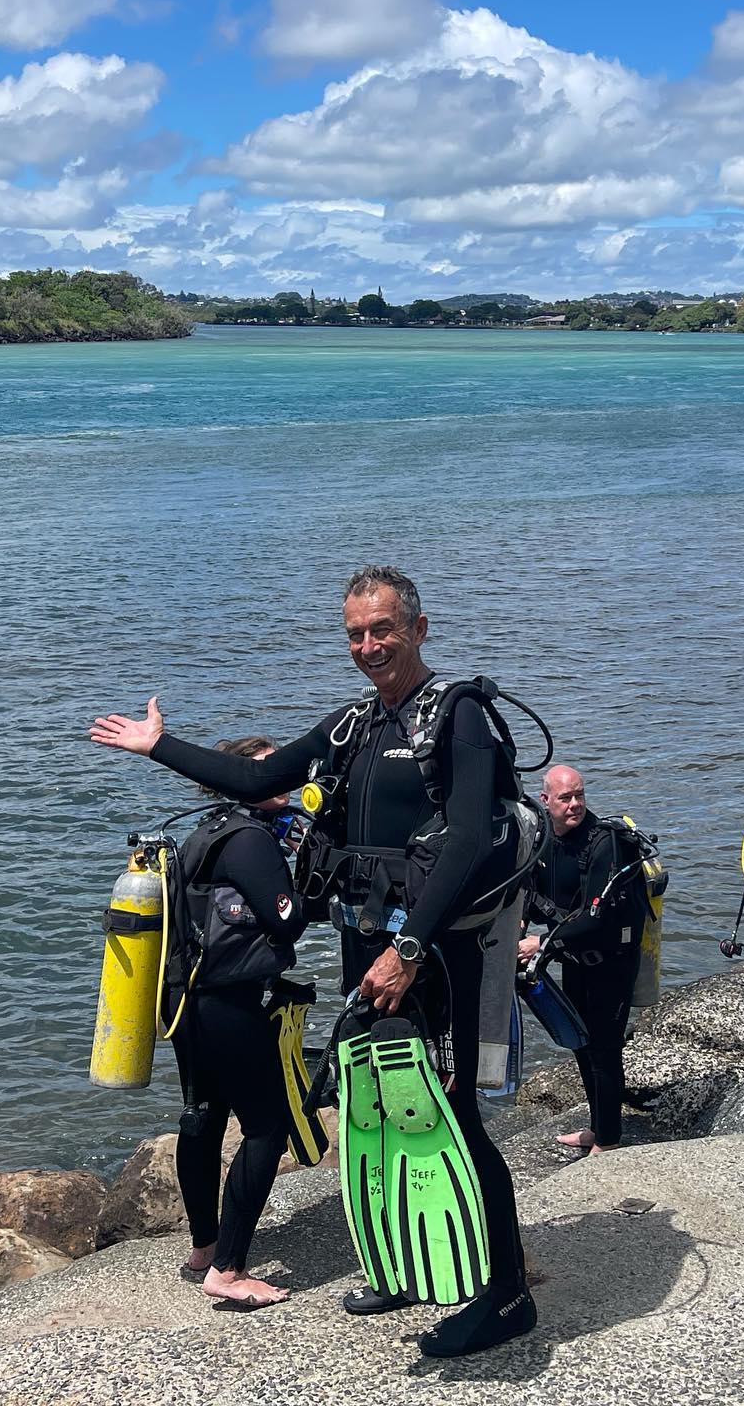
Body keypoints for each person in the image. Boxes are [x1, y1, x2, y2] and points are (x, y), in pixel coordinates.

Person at [91, 565, 535, 1358]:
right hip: (371, 951)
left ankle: (505, 1297)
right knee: (381, 1114)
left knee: (457, 1119)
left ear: (418, 628)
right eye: (356, 633)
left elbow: (466, 837)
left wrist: (410, 948)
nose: (369, 645)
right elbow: (260, 776)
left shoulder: (458, 716)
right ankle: (406, 1264)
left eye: (383, 630)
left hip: (441, 954)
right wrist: (160, 746)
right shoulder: (355, 725)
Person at [171, 736, 312, 1310]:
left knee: (203, 1116)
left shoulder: (204, 832)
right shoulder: (251, 839)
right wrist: (306, 894)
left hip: (186, 1004)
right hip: (233, 1002)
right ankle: (228, 1270)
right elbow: (287, 923)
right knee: (265, 1128)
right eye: (263, 770)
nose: (277, 776)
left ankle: (205, 1246)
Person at [520, 765, 647, 1155]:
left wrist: (540, 942)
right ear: (546, 802)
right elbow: (531, 893)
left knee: (604, 1049)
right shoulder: (546, 838)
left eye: (579, 795)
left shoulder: (603, 843)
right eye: (565, 798)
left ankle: (607, 1142)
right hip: (572, 958)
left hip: (611, 961)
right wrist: (518, 929)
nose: (574, 804)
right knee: (580, 1043)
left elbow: (595, 917)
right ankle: (597, 1127)